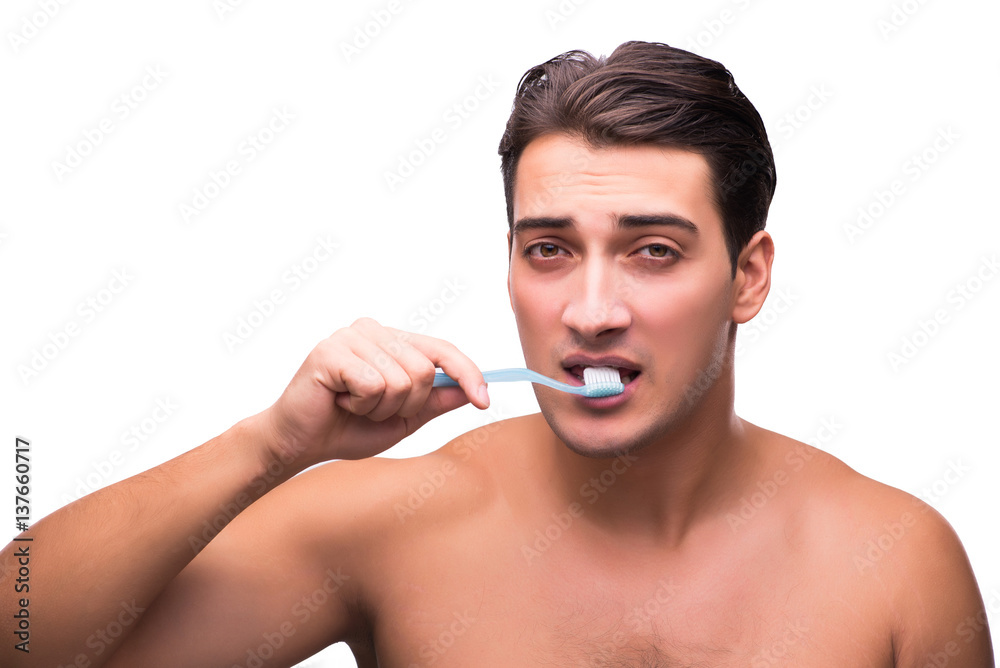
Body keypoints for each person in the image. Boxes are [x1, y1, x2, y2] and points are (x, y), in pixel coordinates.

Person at [2, 41, 993, 668]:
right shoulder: (395, 521)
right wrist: (267, 446)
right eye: (549, 250)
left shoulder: (894, 562)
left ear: (748, 275)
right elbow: (21, 634)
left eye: (653, 251)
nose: (591, 311)